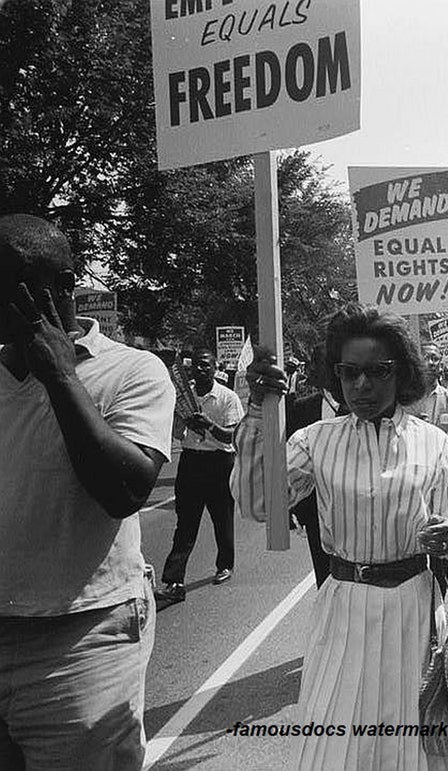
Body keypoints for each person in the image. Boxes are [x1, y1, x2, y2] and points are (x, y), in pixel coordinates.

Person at [234, 304, 448, 771]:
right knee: (337, 740)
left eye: (377, 372)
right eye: (349, 372)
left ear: (400, 373)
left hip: (414, 610)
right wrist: (259, 413)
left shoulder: (433, 442)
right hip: (344, 608)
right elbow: (259, 502)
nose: (361, 385)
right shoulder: (315, 440)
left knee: (415, 744)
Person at [0, 214, 174, 770]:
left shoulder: (133, 371)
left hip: (82, 639)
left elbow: (124, 490)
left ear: (63, 289)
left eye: (12, 293)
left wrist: (60, 378)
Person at [156, 347, 244, 601]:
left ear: (215, 368)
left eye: (206, 365)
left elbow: (231, 437)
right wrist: (184, 423)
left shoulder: (228, 398)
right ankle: (174, 580)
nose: (201, 369)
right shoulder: (184, 398)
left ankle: (225, 564)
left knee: (222, 519)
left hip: (220, 464)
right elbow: (176, 434)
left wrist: (208, 425)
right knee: (185, 524)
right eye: (197, 365)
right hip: (191, 463)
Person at [285, 344, 342, 588]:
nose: (310, 369)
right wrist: (288, 506)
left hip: (355, 507)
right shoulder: (301, 408)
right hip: (316, 511)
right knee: (325, 580)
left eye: (316, 363)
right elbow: (289, 463)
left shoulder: (362, 407)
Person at [404, 342, 448, 461]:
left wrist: (440, 463)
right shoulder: (403, 401)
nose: (431, 363)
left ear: (440, 364)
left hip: (444, 474)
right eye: (425, 358)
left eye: (435, 359)